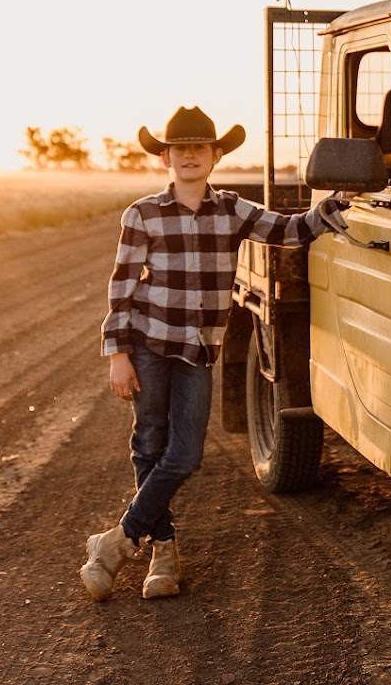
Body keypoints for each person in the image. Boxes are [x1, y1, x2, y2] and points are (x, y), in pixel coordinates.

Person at [80, 105, 342, 601]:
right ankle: (163, 553)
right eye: (180, 149)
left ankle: (117, 541)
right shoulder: (142, 214)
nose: (190, 156)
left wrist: (328, 211)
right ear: (165, 158)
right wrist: (118, 353)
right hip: (150, 344)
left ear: (216, 155)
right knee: (150, 443)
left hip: (198, 351)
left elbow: (287, 231)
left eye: (199, 148)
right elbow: (121, 286)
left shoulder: (232, 211)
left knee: (185, 455)